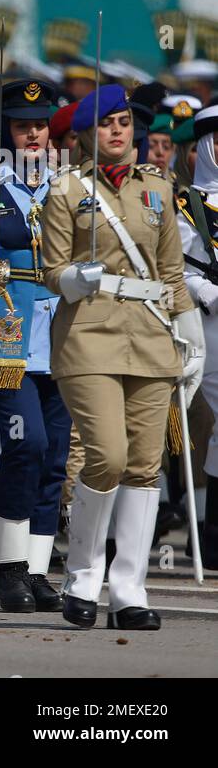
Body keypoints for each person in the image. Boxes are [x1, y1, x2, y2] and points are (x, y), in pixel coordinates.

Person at [41, 84, 203, 630]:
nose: (118, 130)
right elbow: (49, 270)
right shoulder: (65, 190)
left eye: (125, 122)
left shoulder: (158, 189)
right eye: (106, 123)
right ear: (86, 133)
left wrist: (190, 332)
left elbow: (172, 274)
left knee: (143, 466)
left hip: (151, 337)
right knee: (106, 455)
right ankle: (83, 575)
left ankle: (129, 589)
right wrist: (70, 278)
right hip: (89, 333)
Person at [0, 81, 70, 612]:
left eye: (39, 125)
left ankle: (41, 570)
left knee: (53, 455)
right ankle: (10, 567)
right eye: (22, 126)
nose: (32, 133)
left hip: (64, 339)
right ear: (6, 134)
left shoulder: (70, 188)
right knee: (25, 444)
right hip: (6, 338)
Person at [173, 104, 218, 568]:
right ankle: (207, 529)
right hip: (205, 323)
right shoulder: (186, 205)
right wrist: (210, 293)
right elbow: (174, 271)